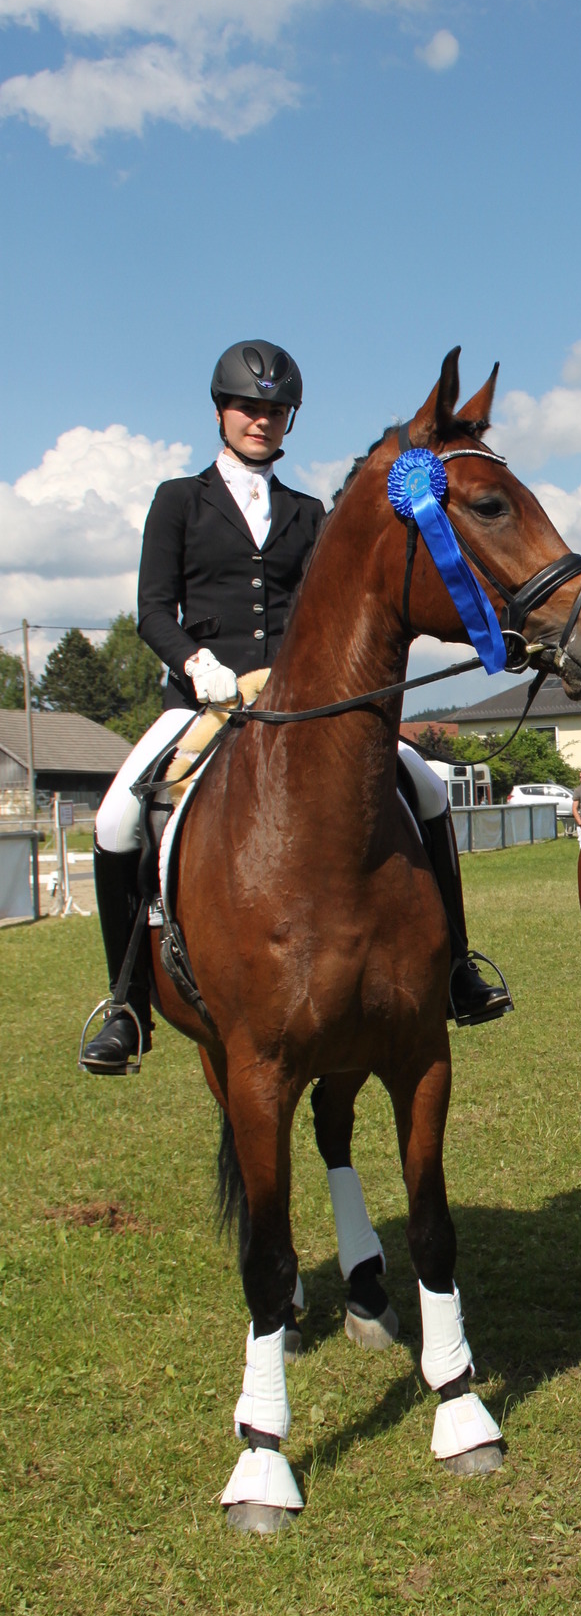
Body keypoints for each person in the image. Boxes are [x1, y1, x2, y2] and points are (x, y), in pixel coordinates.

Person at [81, 337, 510, 1080]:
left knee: (431, 790)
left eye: (276, 411)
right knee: (116, 816)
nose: (262, 421)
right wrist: (196, 664)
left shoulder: (308, 512)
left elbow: (330, 607)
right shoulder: (179, 501)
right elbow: (153, 610)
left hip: (299, 701)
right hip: (203, 699)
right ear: (222, 411)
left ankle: (457, 968)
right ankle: (125, 1002)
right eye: (250, 408)